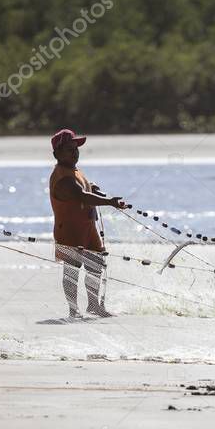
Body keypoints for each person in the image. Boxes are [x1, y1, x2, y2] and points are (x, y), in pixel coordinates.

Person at [48, 129, 128, 319]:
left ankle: (94, 306)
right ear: (57, 154)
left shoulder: (73, 170)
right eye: (69, 149)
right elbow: (81, 195)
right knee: (72, 269)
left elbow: (85, 189)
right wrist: (110, 202)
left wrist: (95, 189)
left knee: (96, 264)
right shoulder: (61, 177)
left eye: (76, 149)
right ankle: (73, 310)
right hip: (69, 230)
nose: (74, 153)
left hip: (87, 226)